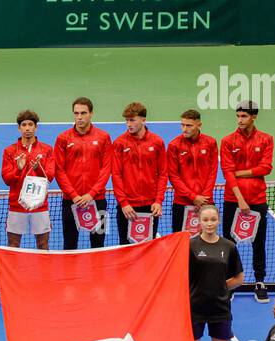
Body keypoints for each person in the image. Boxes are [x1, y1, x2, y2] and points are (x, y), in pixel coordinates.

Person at [178, 204, 243, 341]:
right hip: (194, 309)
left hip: (220, 310)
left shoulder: (229, 246)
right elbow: (180, 276)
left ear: (218, 220)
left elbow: (238, 278)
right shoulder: (190, 246)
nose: (209, 224)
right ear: (198, 221)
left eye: (213, 220)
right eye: (205, 220)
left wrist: (222, 288)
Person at [220, 99, 273, 302]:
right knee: (230, 243)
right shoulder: (227, 141)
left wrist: (240, 172)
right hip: (233, 199)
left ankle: (260, 281)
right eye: (238, 116)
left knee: (258, 242)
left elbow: (265, 168)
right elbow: (227, 173)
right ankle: (230, 281)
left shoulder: (266, 139)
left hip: (258, 199)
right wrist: (241, 199)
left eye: (244, 116)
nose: (240, 120)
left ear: (254, 117)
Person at [54, 97, 111, 250]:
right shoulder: (63, 138)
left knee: (99, 244)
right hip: (71, 201)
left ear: (91, 113)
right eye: (76, 113)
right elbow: (59, 170)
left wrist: (91, 194)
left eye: (83, 113)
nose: (79, 117)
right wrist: (74, 195)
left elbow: (106, 169)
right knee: (70, 244)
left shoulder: (104, 137)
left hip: (98, 200)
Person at [110, 102, 167, 245]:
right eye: (126, 120)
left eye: (132, 120)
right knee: (125, 247)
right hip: (128, 207)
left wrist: (158, 201)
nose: (128, 124)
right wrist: (123, 203)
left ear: (143, 120)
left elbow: (162, 174)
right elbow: (116, 175)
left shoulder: (157, 142)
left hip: (150, 206)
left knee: (148, 247)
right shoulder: (119, 143)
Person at [0, 109, 56, 249]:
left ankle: (44, 272)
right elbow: (7, 179)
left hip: (40, 206)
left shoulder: (47, 150)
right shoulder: (10, 151)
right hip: (16, 206)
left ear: (36, 127)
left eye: (30, 124)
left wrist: (38, 168)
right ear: (19, 128)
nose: (27, 128)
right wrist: (18, 169)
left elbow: (49, 178)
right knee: (13, 245)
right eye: (24, 125)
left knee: (43, 244)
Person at [166, 109, 218, 236]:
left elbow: (213, 171)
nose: (184, 129)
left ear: (199, 125)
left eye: (189, 125)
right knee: (180, 242)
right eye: (182, 125)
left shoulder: (210, 143)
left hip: (206, 202)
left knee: (207, 241)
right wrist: (193, 197)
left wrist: (204, 198)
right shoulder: (174, 145)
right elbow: (173, 175)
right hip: (182, 203)